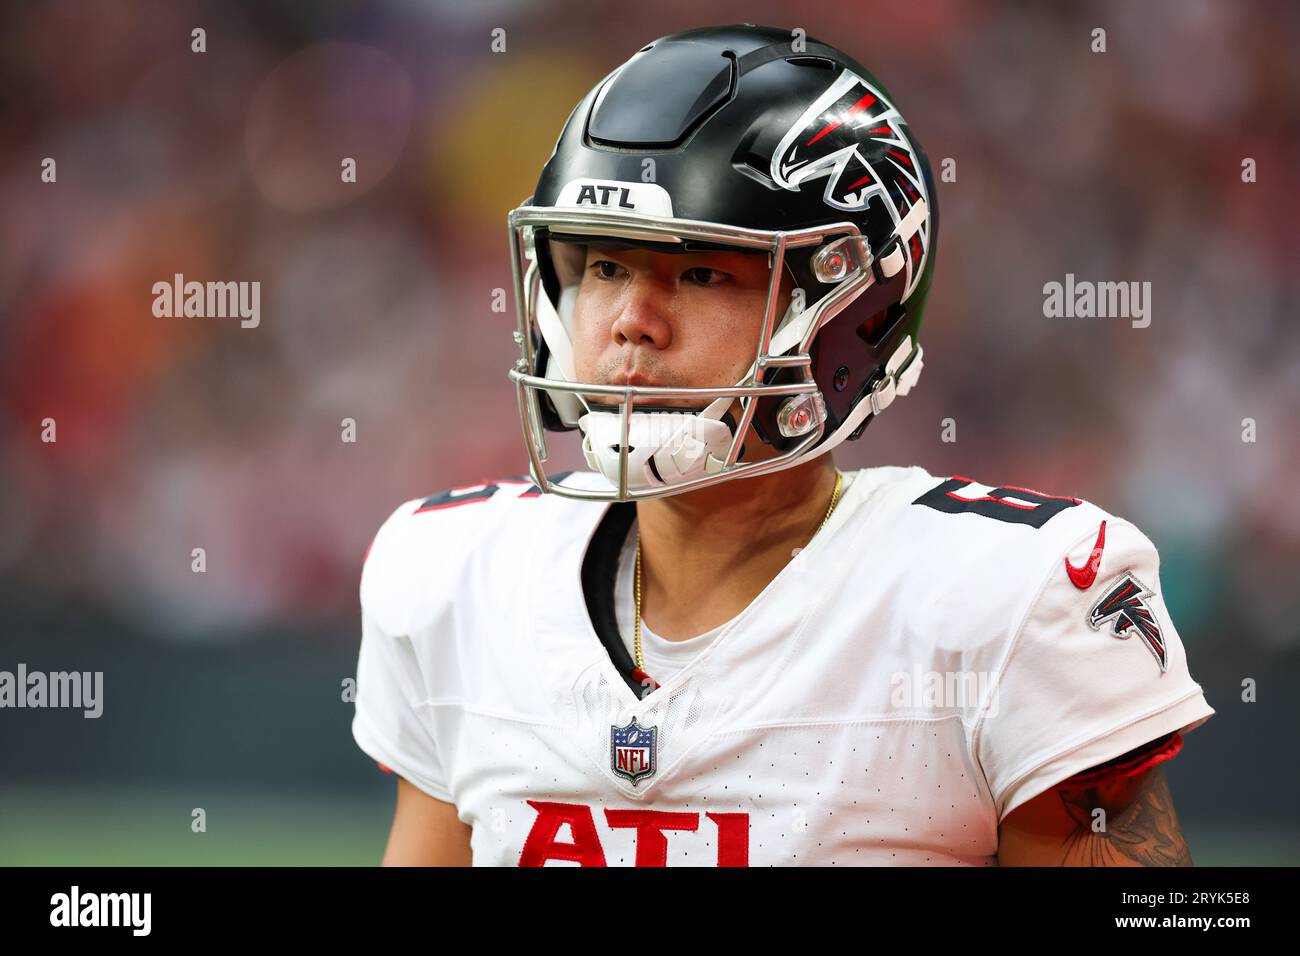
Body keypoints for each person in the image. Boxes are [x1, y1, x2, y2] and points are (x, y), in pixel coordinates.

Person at [352, 24, 1214, 866]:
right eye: (606, 267)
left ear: (851, 309)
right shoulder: (454, 577)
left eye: (701, 273)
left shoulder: (1006, 602)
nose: (630, 326)